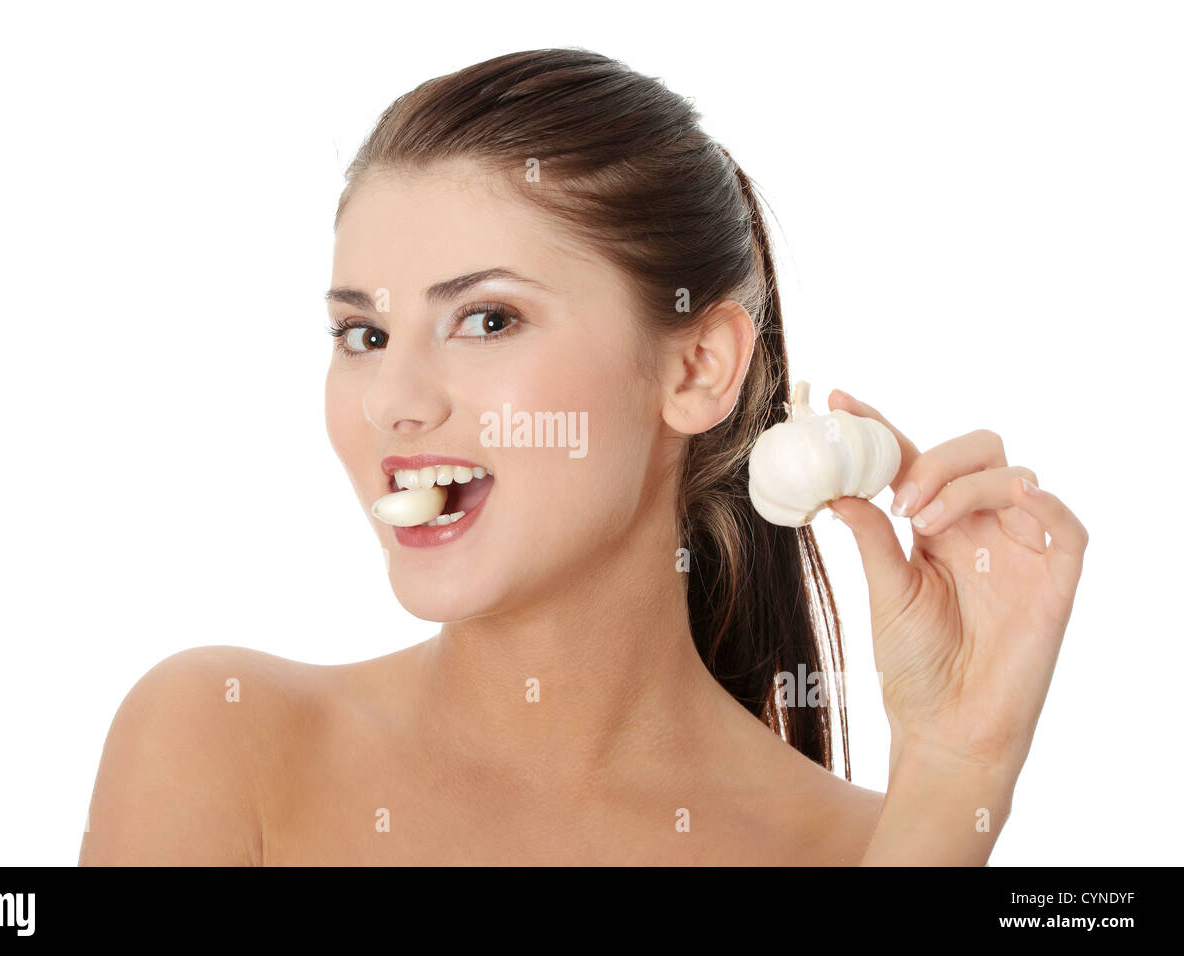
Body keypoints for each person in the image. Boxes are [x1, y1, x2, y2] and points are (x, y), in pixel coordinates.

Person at [79, 48, 1087, 866]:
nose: (391, 400)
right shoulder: (220, 741)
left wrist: (959, 770)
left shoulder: (877, 850)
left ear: (696, 366)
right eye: (363, 335)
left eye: (485, 317)